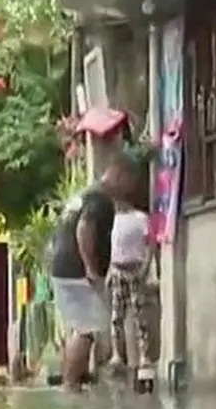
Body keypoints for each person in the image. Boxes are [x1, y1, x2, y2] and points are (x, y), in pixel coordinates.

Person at [47, 155, 136, 390]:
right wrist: (90, 268)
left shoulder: (84, 194)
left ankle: (72, 382)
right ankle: (71, 385)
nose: (130, 191)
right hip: (76, 269)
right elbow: (84, 228)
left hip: (62, 265)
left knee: (81, 327)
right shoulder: (100, 198)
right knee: (86, 329)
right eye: (129, 183)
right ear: (119, 175)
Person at [106, 183, 154, 373]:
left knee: (140, 315)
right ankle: (117, 354)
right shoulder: (114, 220)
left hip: (135, 269)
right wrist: (110, 270)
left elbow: (151, 244)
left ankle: (144, 355)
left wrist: (147, 267)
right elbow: (113, 248)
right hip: (118, 269)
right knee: (116, 316)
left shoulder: (141, 218)